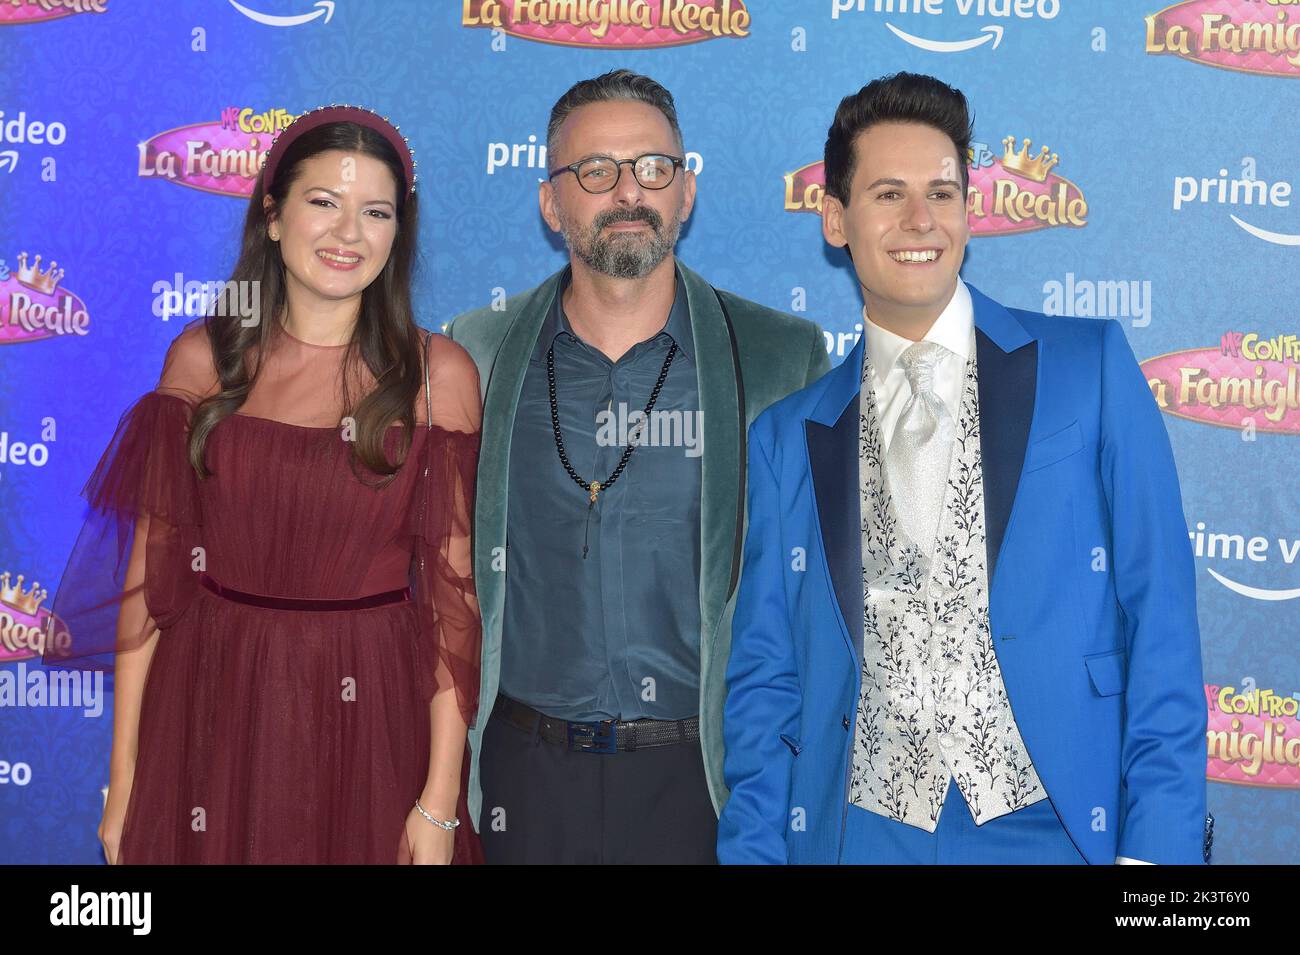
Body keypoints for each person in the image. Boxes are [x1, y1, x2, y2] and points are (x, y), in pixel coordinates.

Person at [716, 72, 1210, 865]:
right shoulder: (788, 438)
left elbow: (1161, 622)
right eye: (889, 194)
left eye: (942, 194)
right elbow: (765, 689)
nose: (921, 220)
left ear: (970, 212)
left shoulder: (1091, 369)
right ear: (836, 220)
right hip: (863, 836)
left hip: (1058, 831)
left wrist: (1157, 858)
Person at [45, 105, 484, 864]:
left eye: (375, 212)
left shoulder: (437, 376)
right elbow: (149, 583)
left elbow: (455, 604)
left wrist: (439, 802)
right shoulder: (202, 360)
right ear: (273, 216)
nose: (349, 234)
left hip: (371, 712)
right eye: (324, 202)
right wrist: (124, 782)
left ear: (397, 233)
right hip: (212, 702)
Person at [447, 69, 830, 864]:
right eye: (596, 172)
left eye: (653, 168)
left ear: (686, 192)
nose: (629, 192)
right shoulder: (476, 354)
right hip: (524, 777)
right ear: (551, 203)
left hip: (705, 781)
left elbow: (816, 600)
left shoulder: (778, 359)